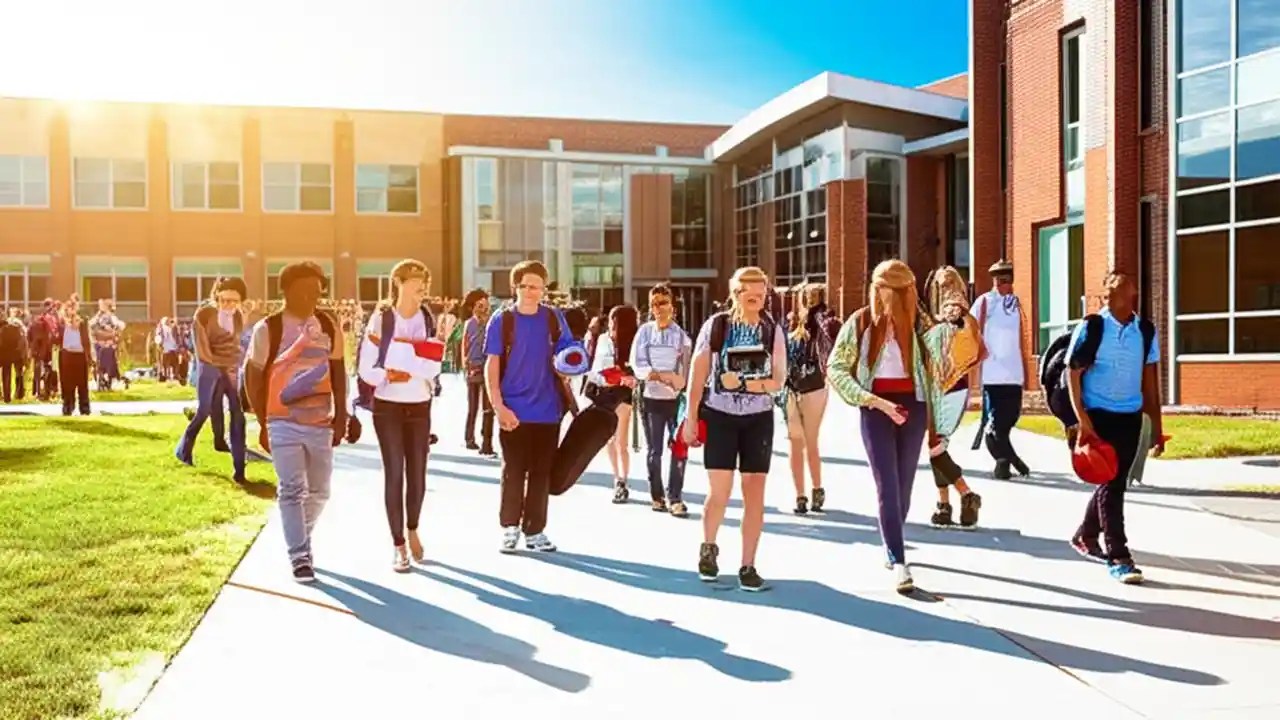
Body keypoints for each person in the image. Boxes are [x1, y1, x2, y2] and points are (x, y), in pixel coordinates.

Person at [827, 259, 944, 594]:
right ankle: (899, 558)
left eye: (894, 291)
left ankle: (893, 539)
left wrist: (941, 427)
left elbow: (944, 369)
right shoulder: (861, 322)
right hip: (876, 407)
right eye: (881, 289)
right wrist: (872, 400)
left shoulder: (922, 325)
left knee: (904, 484)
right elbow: (836, 368)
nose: (886, 297)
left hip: (914, 407)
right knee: (887, 484)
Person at [683, 266, 787, 592]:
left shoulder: (772, 331)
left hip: (759, 418)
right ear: (735, 293)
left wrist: (743, 383)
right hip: (719, 415)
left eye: (761, 293)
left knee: (754, 491)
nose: (755, 298)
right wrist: (689, 417)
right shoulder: (716, 327)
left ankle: (748, 565)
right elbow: (697, 375)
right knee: (720, 490)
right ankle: (709, 547)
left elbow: (778, 381)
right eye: (748, 293)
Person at [244, 262, 347, 583]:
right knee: (291, 490)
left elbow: (339, 371)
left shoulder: (329, 325)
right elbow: (253, 377)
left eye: (317, 292)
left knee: (320, 491)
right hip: (281, 421)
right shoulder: (269, 329)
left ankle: (299, 533)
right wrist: (263, 422)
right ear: (285, 291)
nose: (311, 298)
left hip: (321, 422)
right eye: (304, 291)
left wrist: (343, 415)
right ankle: (300, 555)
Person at [1066, 272, 1163, 584]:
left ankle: (1086, 534)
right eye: (1107, 293)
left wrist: (1157, 427)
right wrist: (1082, 420)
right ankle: (1119, 555)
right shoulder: (1093, 327)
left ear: (1131, 294)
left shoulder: (1145, 331)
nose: (1110, 297)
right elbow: (1073, 374)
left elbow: (1150, 383)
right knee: (1113, 484)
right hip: (1098, 415)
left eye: (1118, 291)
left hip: (1130, 417)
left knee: (1115, 479)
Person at [484, 260, 576, 554]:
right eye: (523, 285)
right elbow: (492, 365)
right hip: (513, 410)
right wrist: (498, 406)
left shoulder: (553, 318)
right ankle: (510, 527)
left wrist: (569, 366)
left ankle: (535, 531)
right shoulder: (502, 320)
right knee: (513, 470)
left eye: (535, 286)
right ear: (515, 287)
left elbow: (569, 353)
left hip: (548, 410)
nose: (529, 291)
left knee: (541, 472)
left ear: (544, 289)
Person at [358, 260, 440, 573]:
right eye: (417, 280)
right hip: (388, 406)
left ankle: (413, 528)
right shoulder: (382, 319)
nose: (422, 288)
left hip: (420, 404)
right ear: (399, 282)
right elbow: (367, 369)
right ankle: (398, 545)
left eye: (425, 282)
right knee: (395, 472)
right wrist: (391, 373)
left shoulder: (427, 318)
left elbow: (433, 363)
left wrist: (418, 364)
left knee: (417, 474)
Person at [918, 267, 985, 529]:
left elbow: (960, 335)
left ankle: (967, 494)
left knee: (935, 446)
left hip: (952, 387)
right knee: (936, 444)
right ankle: (943, 505)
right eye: (939, 283)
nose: (943, 287)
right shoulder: (943, 314)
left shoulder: (957, 311)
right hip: (939, 386)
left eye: (946, 282)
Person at [176, 277, 248, 482]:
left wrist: (233, 366)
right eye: (224, 300)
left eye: (234, 301)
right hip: (208, 367)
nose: (229, 305)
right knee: (205, 409)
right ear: (217, 297)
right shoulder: (204, 314)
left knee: (237, 412)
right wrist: (218, 367)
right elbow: (202, 349)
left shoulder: (237, 317)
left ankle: (239, 468)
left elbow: (235, 344)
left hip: (230, 366)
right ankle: (184, 450)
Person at [630, 283, 691, 516]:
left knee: (679, 448)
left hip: (676, 402)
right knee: (655, 451)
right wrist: (661, 375)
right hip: (651, 399)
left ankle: (675, 496)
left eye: (663, 303)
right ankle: (657, 496)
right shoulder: (644, 332)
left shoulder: (681, 337)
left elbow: (685, 371)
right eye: (654, 304)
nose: (658, 308)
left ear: (672, 306)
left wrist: (677, 380)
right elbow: (638, 364)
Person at [971, 259, 1030, 479]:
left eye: (1008, 280)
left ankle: (1007, 460)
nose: (1004, 284)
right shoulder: (984, 303)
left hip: (1014, 372)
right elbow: (970, 330)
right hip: (993, 372)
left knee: (1011, 417)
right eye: (1000, 280)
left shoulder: (1017, 304)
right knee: (998, 420)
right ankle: (1007, 462)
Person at [783, 283, 838, 515]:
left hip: (814, 386)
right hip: (793, 388)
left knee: (809, 441)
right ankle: (801, 494)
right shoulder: (793, 323)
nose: (809, 301)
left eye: (812, 297)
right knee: (796, 442)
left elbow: (831, 340)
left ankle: (814, 489)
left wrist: (818, 317)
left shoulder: (825, 323)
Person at [585, 304, 640, 503]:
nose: (609, 324)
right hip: (604, 392)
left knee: (621, 441)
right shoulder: (602, 339)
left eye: (613, 320)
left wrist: (630, 378)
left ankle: (622, 481)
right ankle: (616, 477)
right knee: (609, 439)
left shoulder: (634, 341)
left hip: (622, 394)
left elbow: (639, 369)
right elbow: (594, 367)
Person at [461, 289, 496, 457]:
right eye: (480, 305)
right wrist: (466, 366)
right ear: (473, 307)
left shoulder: (492, 323)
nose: (484, 309)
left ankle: (486, 441)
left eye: (486, 306)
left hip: (488, 367)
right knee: (473, 406)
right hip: (474, 368)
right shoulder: (470, 323)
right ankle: (469, 437)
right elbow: (465, 346)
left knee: (488, 407)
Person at [57, 296, 91, 416]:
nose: (71, 311)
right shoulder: (62, 324)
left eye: (73, 308)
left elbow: (87, 339)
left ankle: (84, 408)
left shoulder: (82, 322)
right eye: (68, 308)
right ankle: (68, 407)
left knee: (82, 384)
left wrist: (90, 357)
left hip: (80, 355)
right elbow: (56, 337)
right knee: (67, 383)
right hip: (67, 355)